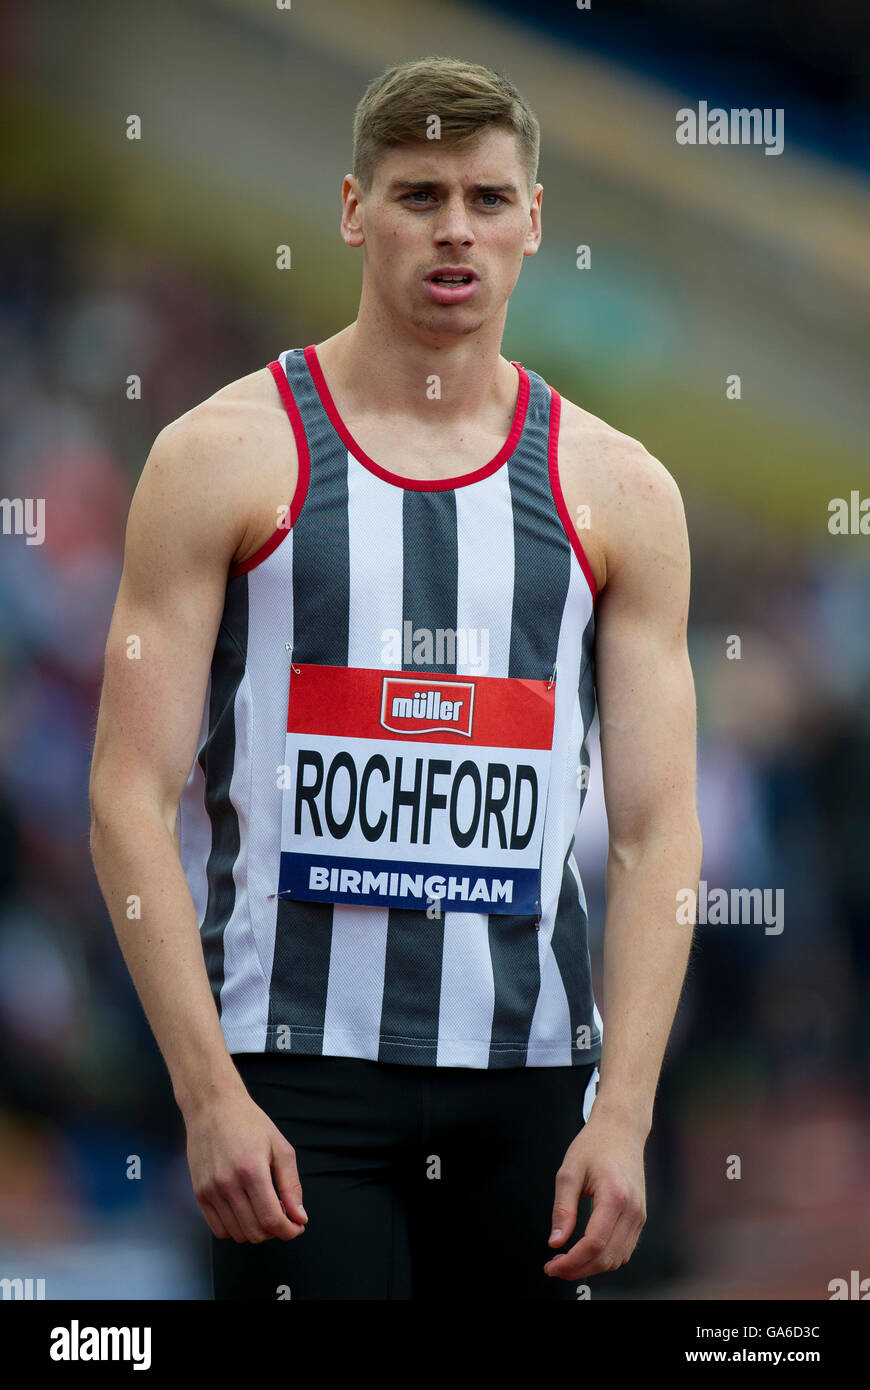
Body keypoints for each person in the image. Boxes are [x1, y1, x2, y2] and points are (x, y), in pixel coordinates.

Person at [88, 55, 703, 1301]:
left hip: (530, 1087)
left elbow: (656, 831)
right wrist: (207, 1093)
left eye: (487, 198)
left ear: (535, 221)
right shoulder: (219, 458)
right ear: (354, 209)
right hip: (292, 1085)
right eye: (420, 195)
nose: (455, 229)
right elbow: (124, 796)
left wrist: (626, 1111)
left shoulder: (622, 491)